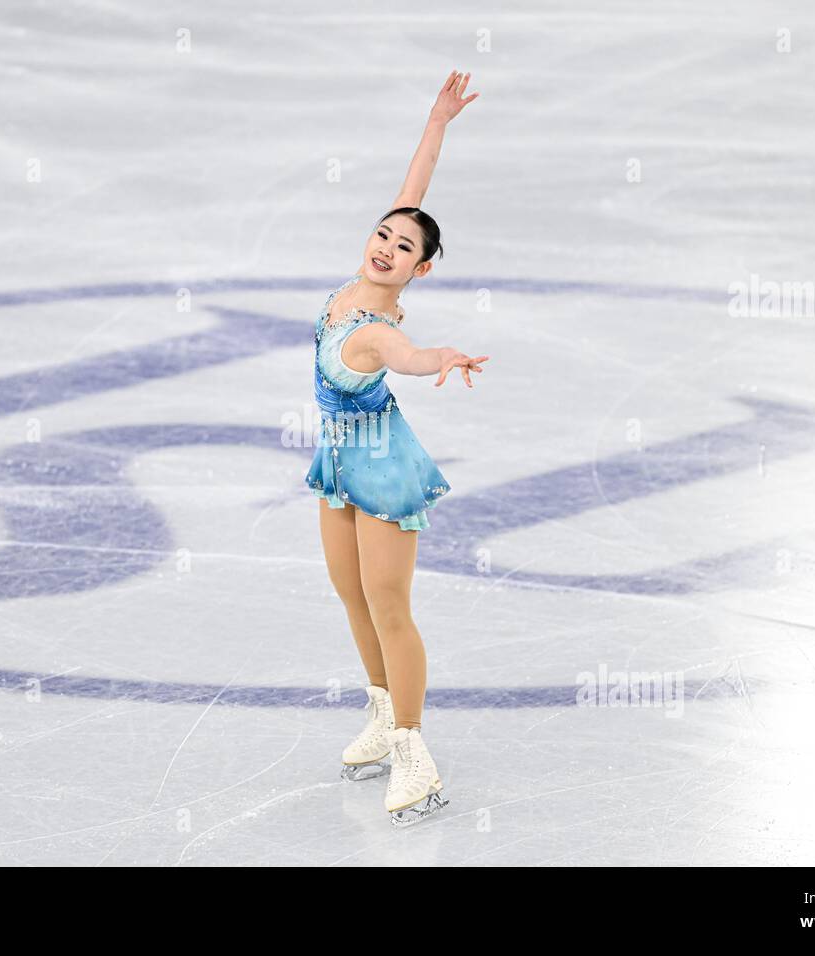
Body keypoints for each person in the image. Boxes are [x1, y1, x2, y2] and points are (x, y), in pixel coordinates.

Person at [303, 70, 488, 827]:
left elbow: (406, 357)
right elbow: (414, 192)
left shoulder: (379, 330)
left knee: (390, 606)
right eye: (383, 233)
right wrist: (436, 125)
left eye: (403, 246)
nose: (386, 246)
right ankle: (382, 711)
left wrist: (439, 353)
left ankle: (413, 748)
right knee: (351, 596)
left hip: (381, 467)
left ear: (421, 268)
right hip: (339, 461)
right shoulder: (354, 285)